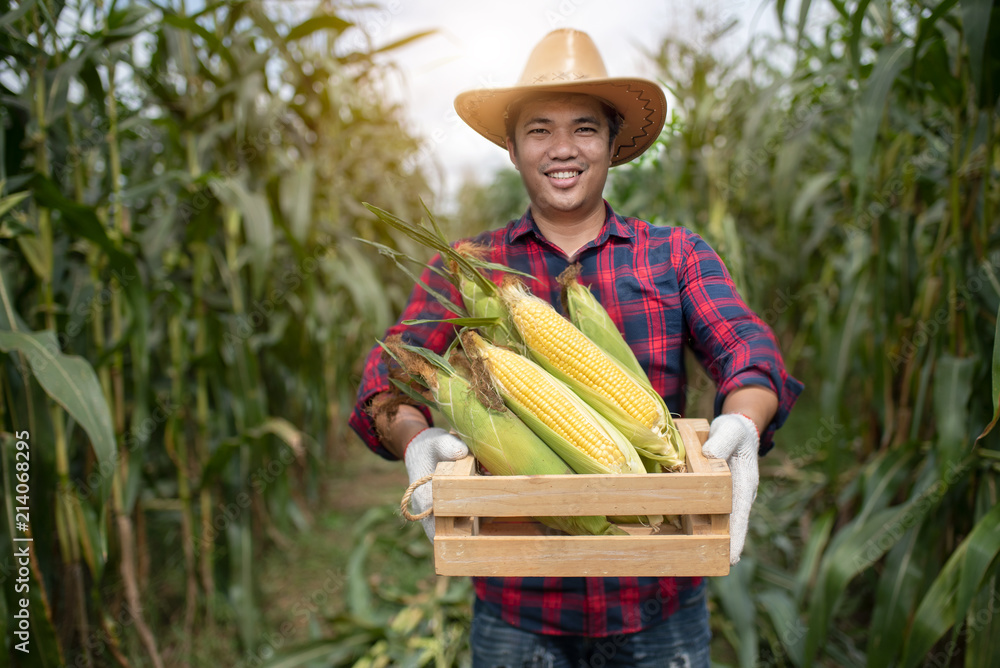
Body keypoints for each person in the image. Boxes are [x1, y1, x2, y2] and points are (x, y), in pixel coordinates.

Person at [350, 28, 802, 667]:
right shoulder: (470, 268)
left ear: (613, 144)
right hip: (519, 608)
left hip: (657, 602)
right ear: (512, 148)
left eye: (584, 129)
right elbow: (386, 378)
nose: (562, 148)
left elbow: (746, 346)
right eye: (539, 130)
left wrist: (744, 422)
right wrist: (415, 440)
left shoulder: (674, 254)